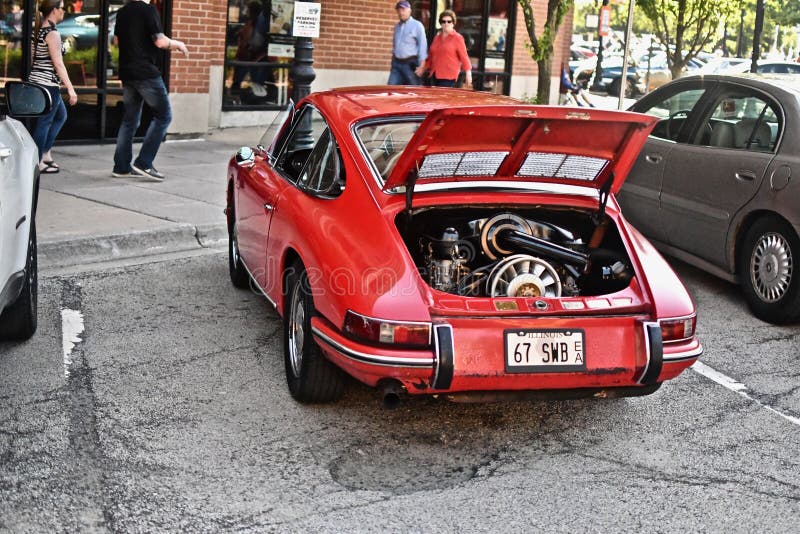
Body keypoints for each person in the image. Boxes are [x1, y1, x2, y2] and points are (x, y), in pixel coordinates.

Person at [111, 0, 188, 182]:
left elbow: (115, 41)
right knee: (164, 116)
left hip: (128, 72)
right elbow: (160, 41)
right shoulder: (148, 10)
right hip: (146, 73)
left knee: (130, 120)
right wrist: (178, 44)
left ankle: (121, 167)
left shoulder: (122, 12)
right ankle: (144, 162)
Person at [28, 0, 78, 175]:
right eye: (63, 9)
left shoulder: (38, 30)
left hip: (39, 82)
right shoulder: (52, 33)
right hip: (48, 84)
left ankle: (45, 153)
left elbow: (34, 59)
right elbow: (58, 64)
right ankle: (37, 162)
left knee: (60, 116)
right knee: (45, 122)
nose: (64, 12)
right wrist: (71, 89)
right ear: (54, 10)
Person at [424, 9, 471, 88]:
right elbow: (431, 56)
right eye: (443, 21)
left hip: (448, 77)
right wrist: (424, 67)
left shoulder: (458, 38)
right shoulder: (437, 38)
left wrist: (468, 73)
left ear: (453, 23)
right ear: (441, 23)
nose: (446, 23)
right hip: (434, 75)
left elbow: (464, 57)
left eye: (449, 21)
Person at [388, 0, 427, 85]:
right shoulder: (397, 27)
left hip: (410, 64)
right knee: (391, 89)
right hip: (396, 64)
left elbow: (422, 46)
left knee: (413, 91)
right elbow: (395, 45)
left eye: (403, 9)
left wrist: (422, 65)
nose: (401, 12)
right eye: (399, 10)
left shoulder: (417, 25)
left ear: (409, 10)